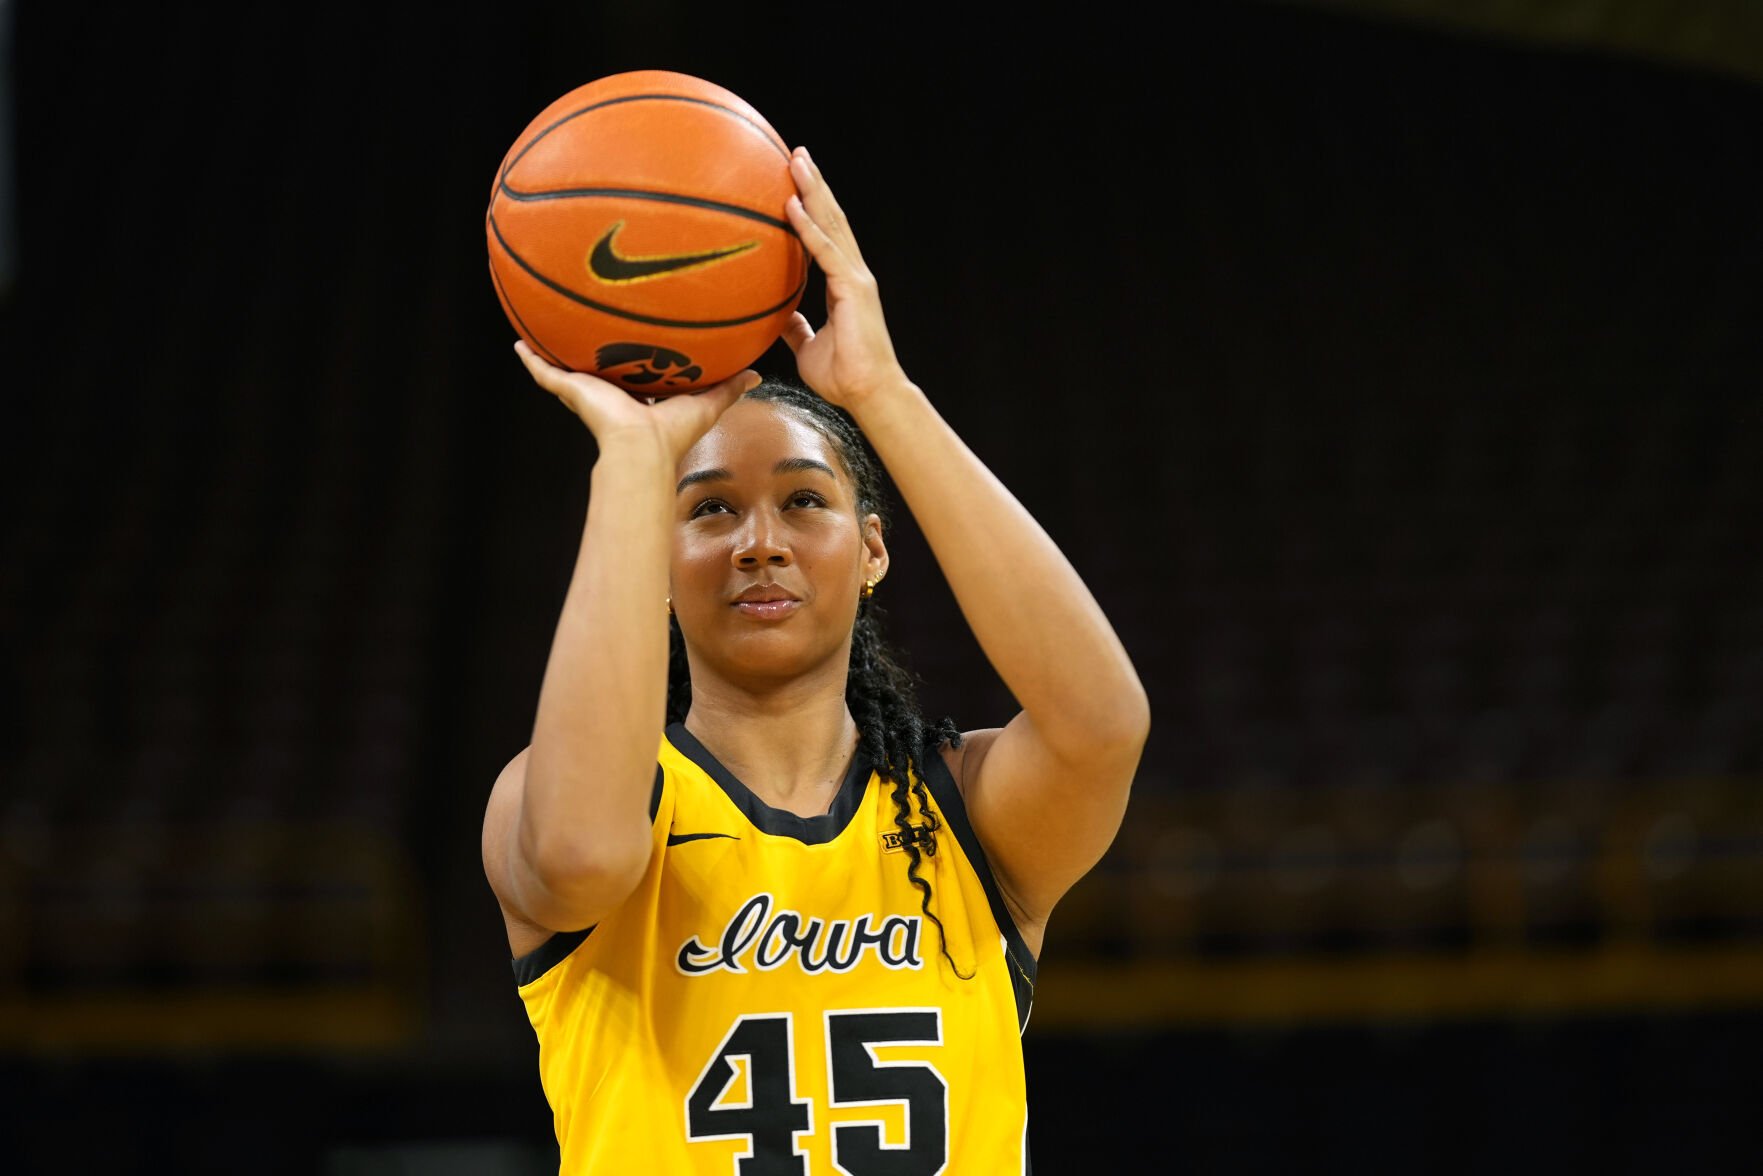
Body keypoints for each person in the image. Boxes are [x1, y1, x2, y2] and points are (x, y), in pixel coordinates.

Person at [481, 144, 1148, 1174]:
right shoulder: (579, 803)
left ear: (872, 548)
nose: (760, 541)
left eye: (803, 500)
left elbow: (1102, 726)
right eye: (707, 511)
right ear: (651, 561)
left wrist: (879, 390)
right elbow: (577, 859)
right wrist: (632, 461)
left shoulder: (965, 815)